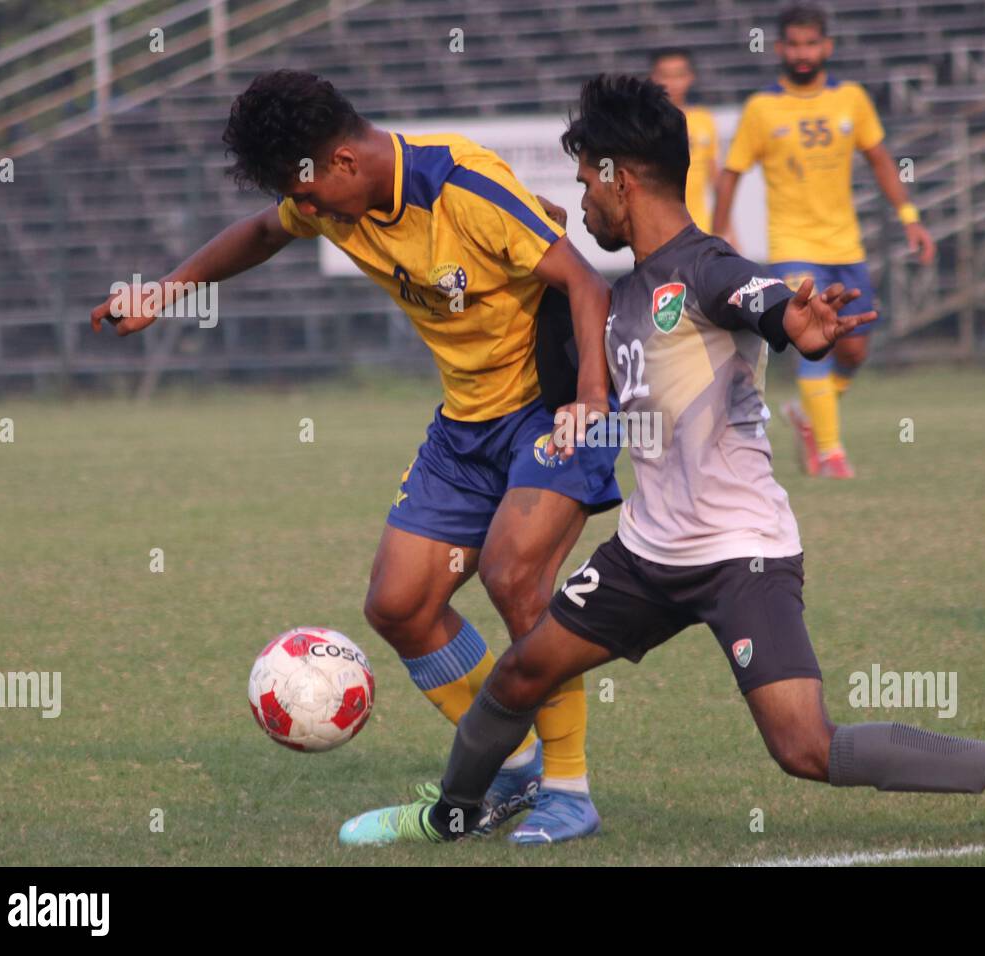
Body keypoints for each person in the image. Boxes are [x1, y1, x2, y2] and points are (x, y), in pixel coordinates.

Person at [337, 74, 985, 846]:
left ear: (622, 177)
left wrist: (799, 324)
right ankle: (450, 815)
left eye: (589, 180)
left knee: (805, 748)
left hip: (742, 556)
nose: (581, 198)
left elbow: (761, 299)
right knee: (518, 674)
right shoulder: (621, 292)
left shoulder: (704, 268)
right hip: (645, 556)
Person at [90, 69, 621, 842]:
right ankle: (511, 765)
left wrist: (594, 402)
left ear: (341, 161)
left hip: (550, 410)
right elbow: (264, 232)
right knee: (400, 605)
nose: (303, 210)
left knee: (516, 576)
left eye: (306, 193)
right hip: (464, 427)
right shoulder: (323, 201)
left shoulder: (462, 185)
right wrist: (167, 289)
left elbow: (584, 282)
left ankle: (569, 788)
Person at [712, 5, 936, 478]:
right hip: (793, 246)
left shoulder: (851, 100)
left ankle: (809, 416)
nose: (802, 52)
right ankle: (832, 454)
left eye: (811, 43)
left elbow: (880, 160)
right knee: (812, 337)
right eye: (793, 44)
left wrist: (910, 218)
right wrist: (717, 234)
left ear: (826, 47)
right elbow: (730, 175)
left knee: (854, 351)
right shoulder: (762, 109)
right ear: (780, 48)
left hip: (846, 247)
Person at [649, 47, 718, 233]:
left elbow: (714, 177)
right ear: (653, 78)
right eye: (666, 75)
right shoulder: (646, 122)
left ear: (690, 77)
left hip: (701, 226)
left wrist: (728, 230)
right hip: (660, 228)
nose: (673, 83)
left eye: (679, 75)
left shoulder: (704, 119)